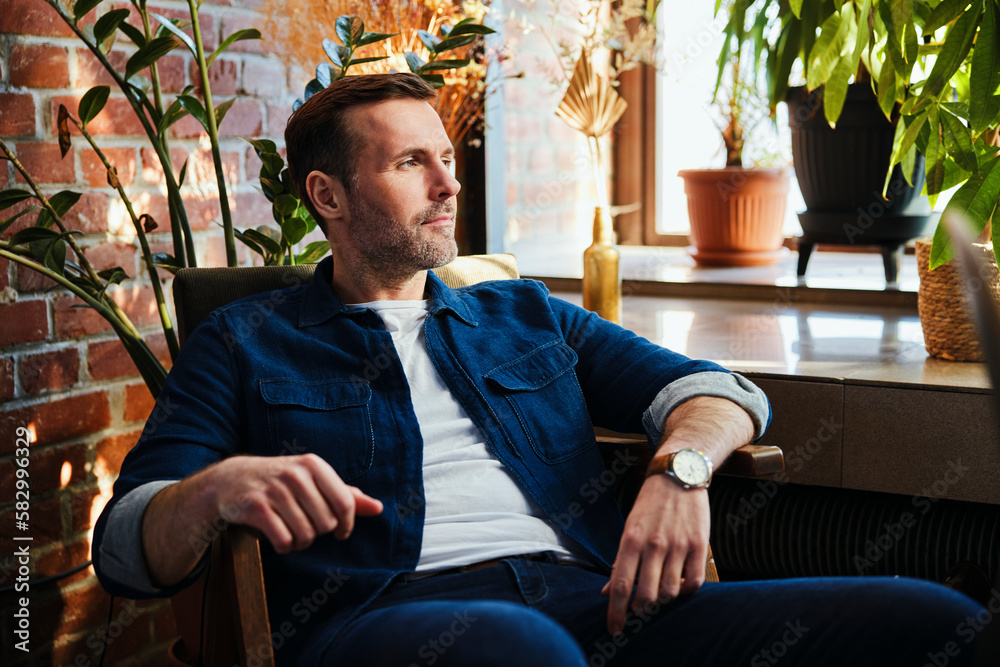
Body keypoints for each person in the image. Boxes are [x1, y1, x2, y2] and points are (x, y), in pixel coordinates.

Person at [93, 73, 984, 667]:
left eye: (447, 158)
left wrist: (680, 471)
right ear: (328, 196)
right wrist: (212, 491)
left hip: (603, 601)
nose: (448, 184)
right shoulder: (245, 340)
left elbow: (719, 391)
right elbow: (126, 547)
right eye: (411, 163)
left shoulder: (525, 314)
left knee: (932, 619)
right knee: (517, 649)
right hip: (385, 619)